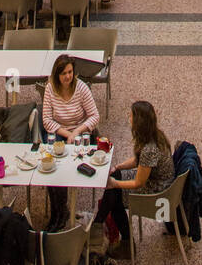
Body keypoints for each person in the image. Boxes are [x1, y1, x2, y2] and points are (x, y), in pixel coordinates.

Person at [93, 100, 175, 249]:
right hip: (159, 182)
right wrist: (118, 167)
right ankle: (98, 224)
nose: (128, 117)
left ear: (139, 122)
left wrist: (114, 183)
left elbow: (139, 183)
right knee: (116, 178)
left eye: (131, 115)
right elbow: (139, 160)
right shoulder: (154, 135)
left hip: (158, 192)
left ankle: (121, 239)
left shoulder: (150, 149)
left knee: (115, 194)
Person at [41, 55, 99, 230]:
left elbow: (94, 116)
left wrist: (76, 132)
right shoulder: (50, 88)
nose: (68, 76)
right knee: (51, 168)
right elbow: (46, 120)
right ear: (56, 75)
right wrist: (66, 133)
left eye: (70, 72)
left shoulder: (81, 88)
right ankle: (58, 211)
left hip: (79, 131)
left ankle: (61, 211)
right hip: (59, 131)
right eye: (64, 73)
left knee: (65, 167)